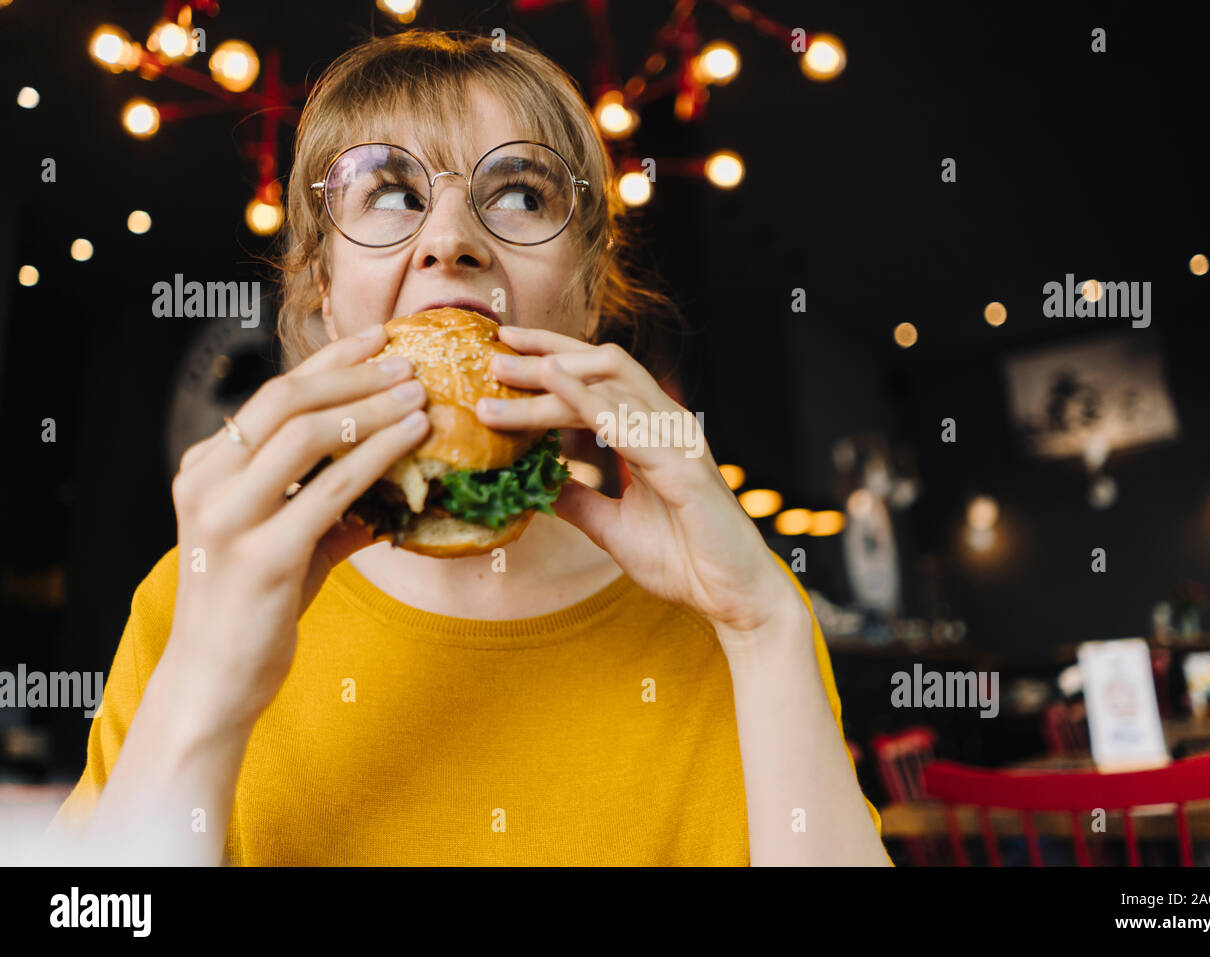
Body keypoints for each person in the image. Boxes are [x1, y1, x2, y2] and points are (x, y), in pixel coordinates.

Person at [47, 29, 891, 866]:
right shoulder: (194, 595)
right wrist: (205, 690)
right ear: (322, 297)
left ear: (588, 297)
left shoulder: (737, 614)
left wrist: (764, 625)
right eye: (390, 192)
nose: (451, 239)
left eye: (520, 194)